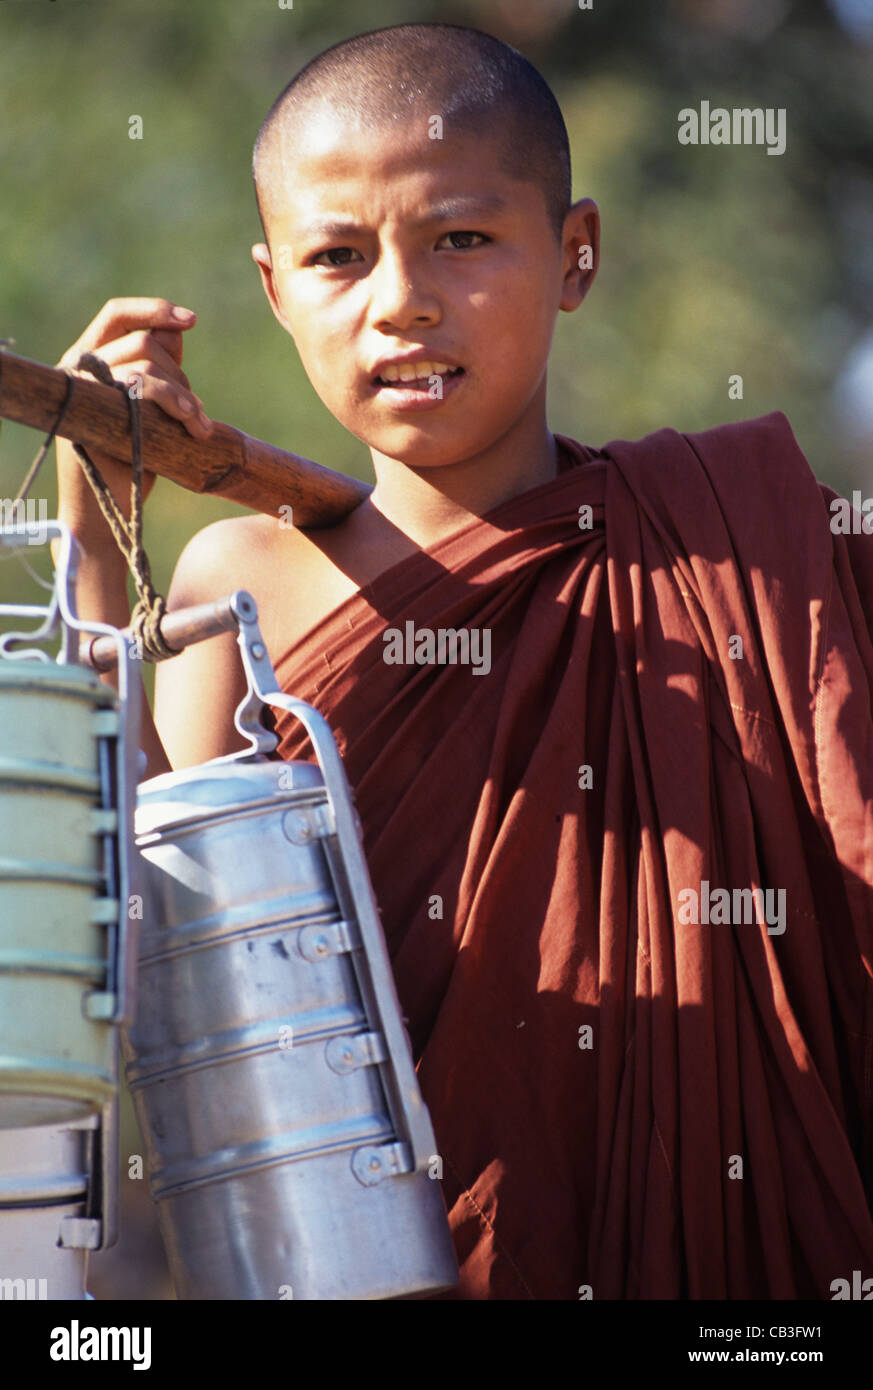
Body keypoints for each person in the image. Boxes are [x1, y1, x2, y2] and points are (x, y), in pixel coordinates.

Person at [55, 23, 873, 1300]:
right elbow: (142, 916)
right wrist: (98, 519)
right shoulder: (244, 584)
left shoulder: (731, 546)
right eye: (338, 257)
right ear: (276, 292)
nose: (402, 300)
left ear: (576, 255)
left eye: (463, 238)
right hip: (362, 1255)